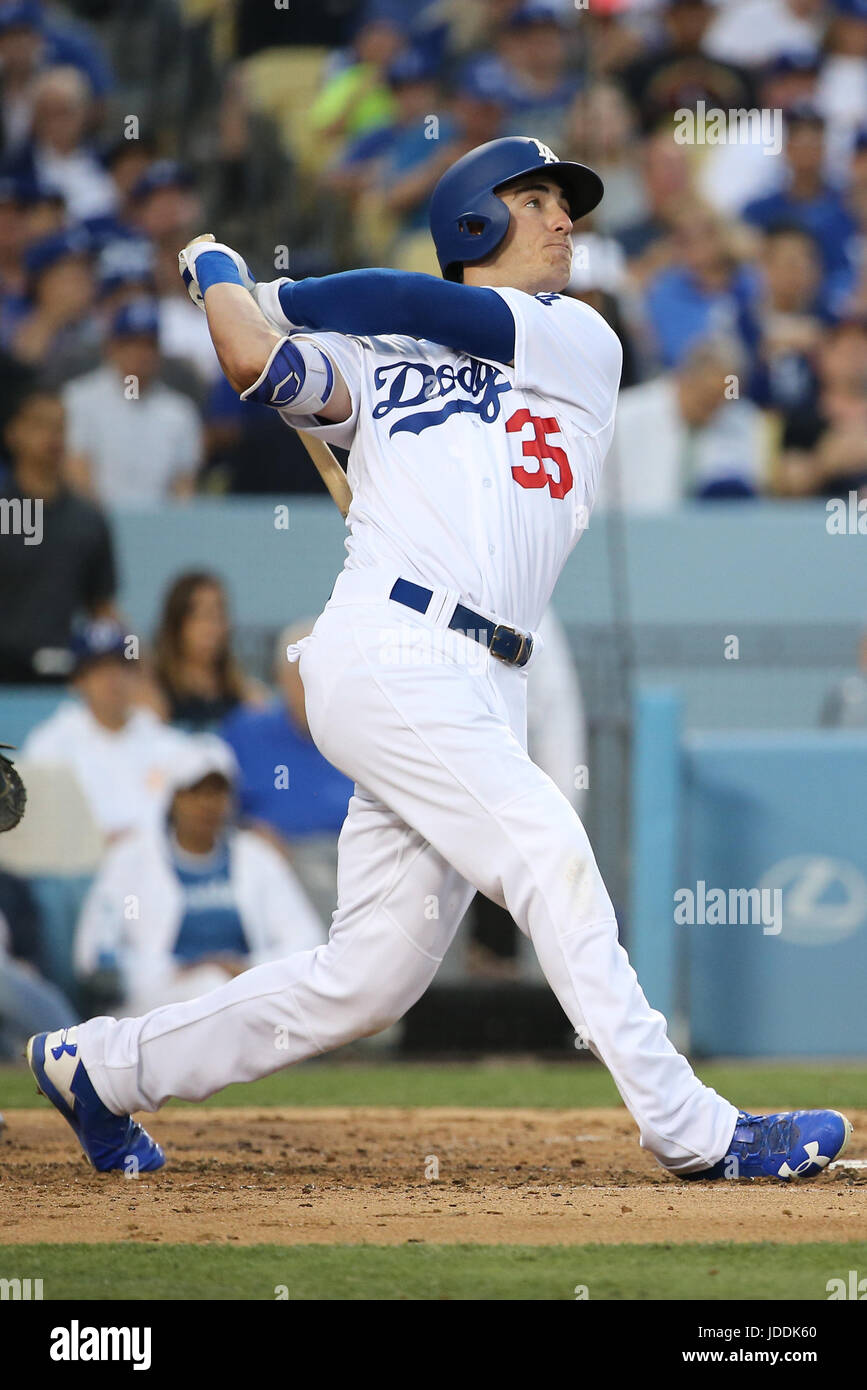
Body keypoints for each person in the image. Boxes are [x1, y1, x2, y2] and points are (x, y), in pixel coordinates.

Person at [30, 135, 852, 1182]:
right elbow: (249, 362)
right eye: (539, 199)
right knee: (547, 848)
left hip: (486, 676)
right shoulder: (375, 361)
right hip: (391, 645)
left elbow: (419, 307)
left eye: (567, 202)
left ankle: (99, 1066)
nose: (566, 220)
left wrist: (253, 279)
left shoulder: (578, 338)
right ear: (475, 219)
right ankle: (695, 1129)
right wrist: (214, 275)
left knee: (366, 982)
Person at [74, 736, 324, 1016]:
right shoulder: (132, 858)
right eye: (195, 791)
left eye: (218, 792)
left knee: (216, 987)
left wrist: (246, 968)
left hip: (244, 994)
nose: (207, 804)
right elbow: (95, 952)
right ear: (173, 798)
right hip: (156, 1004)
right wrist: (172, 971)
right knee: (208, 987)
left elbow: (306, 940)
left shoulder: (257, 857)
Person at [220, 622, 354, 923]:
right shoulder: (246, 732)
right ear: (281, 679)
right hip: (285, 861)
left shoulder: (364, 731)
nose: (314, 688)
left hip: (361, 856)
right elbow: (211, 806)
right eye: (302, 678)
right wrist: (244, 831)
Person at [22, 618, 186, 841]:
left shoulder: (168, 743)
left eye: (121, 667)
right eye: (99, 669)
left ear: (135, 675)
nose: (113, 679)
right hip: (78, 868)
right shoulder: (49, 744)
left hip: (151, 868)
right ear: (78, 681)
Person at [0, 387, 117, 683]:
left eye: (60, 426)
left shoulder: (88, 519)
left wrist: (132, 663)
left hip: (64, 675)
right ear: (13, 434)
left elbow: (100, 606)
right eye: (40, 424)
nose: (52, 436)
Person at [62, 300, 203, 505]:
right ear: (112, 347)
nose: (141, 354)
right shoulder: (79, 398)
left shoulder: (179, 411)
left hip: (160, 529)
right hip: (95, 526)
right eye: (131, 343)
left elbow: (183, 486)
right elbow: (76, 472)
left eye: (149, 345)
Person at [149, 571, 268, 731]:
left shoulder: (245, 695)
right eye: (199, 615)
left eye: (219, 615)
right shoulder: (155, 693)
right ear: (176, 624)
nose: (212, 627)